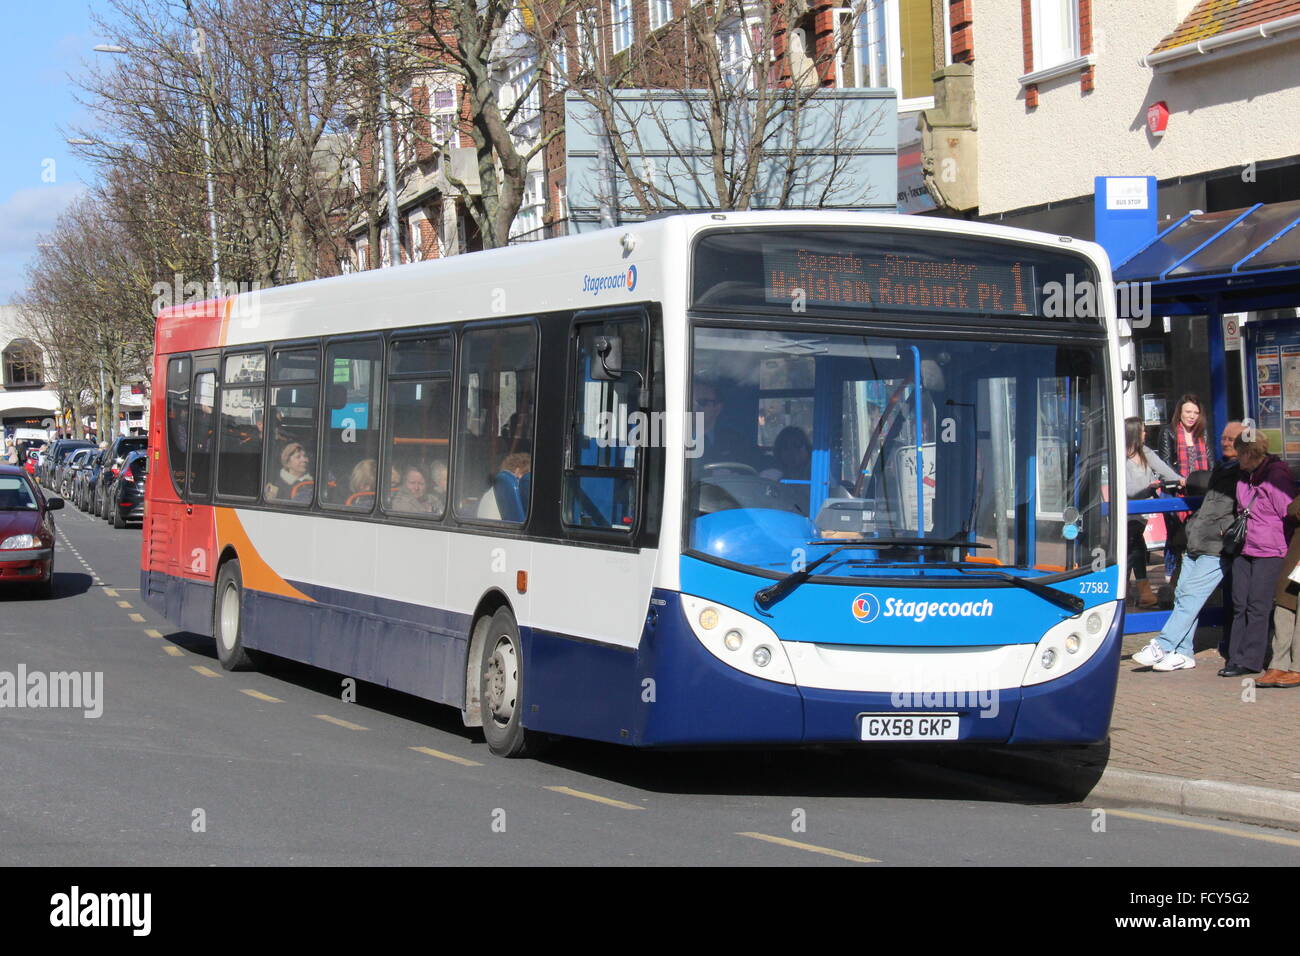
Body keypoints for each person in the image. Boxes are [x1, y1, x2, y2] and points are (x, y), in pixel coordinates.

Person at [1133, 421, 1243, 671]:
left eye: (1231, 439)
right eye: (1224, 438)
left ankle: (1163, 644)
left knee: (1192, 595)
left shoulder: (1243, 472)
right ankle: (1184, 653)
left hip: (1217, 546)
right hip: (1198, 539)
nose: (1225, 442)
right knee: (1183, 595)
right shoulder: (1222, 467)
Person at [1222, 432, 1296, 678]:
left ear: (1249, 453)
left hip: (1270, 549)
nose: (1235, 456)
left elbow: (1288, 512)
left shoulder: (1277, 475)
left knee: (1258, 604)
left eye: (1239, 452)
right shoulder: (1244, 475)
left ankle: (1250, 660)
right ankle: (1235, 656)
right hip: (1245, 547)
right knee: (1239, 602)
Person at [1125, 417, 1181, 608]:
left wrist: (1183, 481)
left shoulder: (1146, 452)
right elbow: (1128, 491)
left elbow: (1167, 472)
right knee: (1134, 548)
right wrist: (1149, 489)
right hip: (1122, 513)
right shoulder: (1120, 455)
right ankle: (1139, 592)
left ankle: (1134, 591)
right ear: (1132, 433)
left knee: (1133, 546)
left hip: (1139, 514)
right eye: (1142, 431)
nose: (1145, 434)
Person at [1158, 394, 1210, 586]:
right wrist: (1178, 480)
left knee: (1197, 533)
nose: (1192, 416)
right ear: (1179, 412)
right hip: (1176, 492)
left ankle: (1194, 576)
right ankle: (1171, 579)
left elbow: (1210, 460)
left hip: (1199, 491)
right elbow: (1164, 463)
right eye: (1188, 411)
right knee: (1176, 536)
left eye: (1196, 413)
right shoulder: (1168, 432)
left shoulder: (1202, 433)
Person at [1261, 502, 1300, 688]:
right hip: (1296, 553)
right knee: (1284, 604)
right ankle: (1279, 663)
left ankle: (1298, 667)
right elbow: (1292, 509)